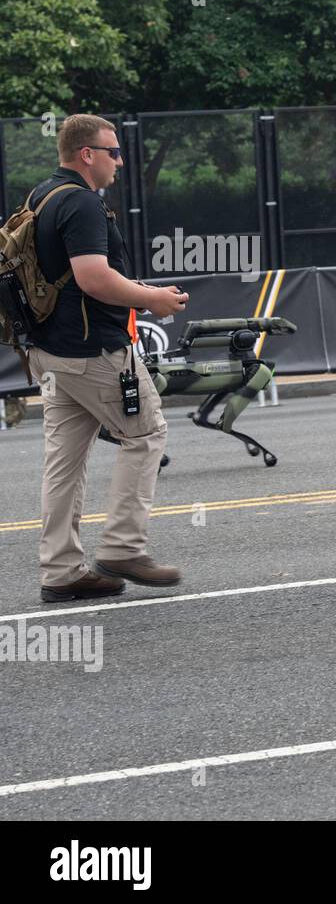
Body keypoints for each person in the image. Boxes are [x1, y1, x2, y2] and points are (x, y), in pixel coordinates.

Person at [27, 114, 189, 602]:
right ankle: (122, 546)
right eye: (113, 151)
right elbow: (93, 278)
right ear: (86, 155)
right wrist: (151, 298)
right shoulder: (80, 203)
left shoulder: (42, 196)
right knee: (146, 434)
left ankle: (61, 571)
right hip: (92, 349)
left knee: (64, 462)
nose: (120, 160)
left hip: (49, 352)